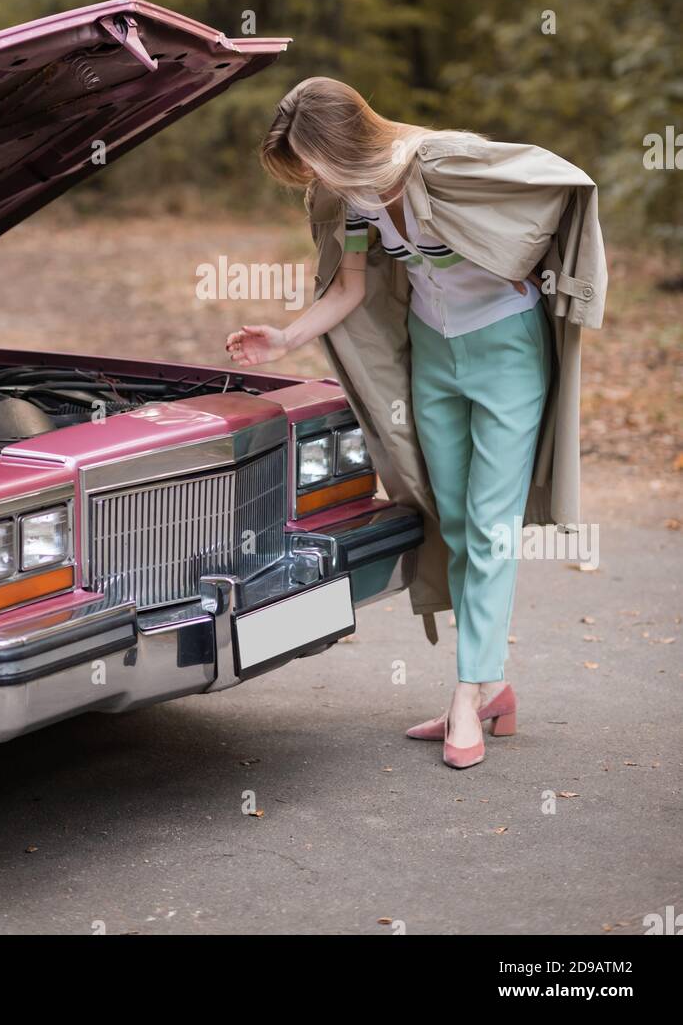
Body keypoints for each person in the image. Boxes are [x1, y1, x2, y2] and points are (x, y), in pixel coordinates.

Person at [225, 77, 606, 770]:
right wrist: (282, 339)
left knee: (490, 525)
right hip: (433, 358)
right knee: (454, 520)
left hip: (506, 352)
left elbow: (561, 182)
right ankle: (492, 687)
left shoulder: (445, 161)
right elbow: (349, 287)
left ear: (343, 141)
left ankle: (466, 697)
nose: (312, 179)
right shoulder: (354, 197)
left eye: (313, 162)